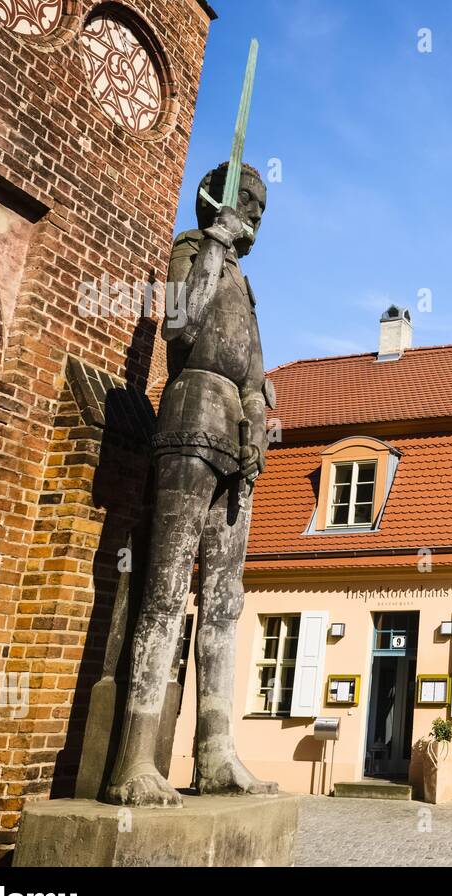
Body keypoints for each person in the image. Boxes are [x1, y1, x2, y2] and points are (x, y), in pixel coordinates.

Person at [106, 163, 276, 807]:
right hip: (190, 412)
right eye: (249, 202)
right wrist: (213, 246)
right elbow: (180, 324)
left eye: (262, 206)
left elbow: (255, 370)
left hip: (234, 428)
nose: (257, 215)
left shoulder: (245, 282)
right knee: (168, 584)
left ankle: (214, 751)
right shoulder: (190, 250)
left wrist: (259, 423)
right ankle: (134, 759)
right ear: (219, 201)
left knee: (226, 597)